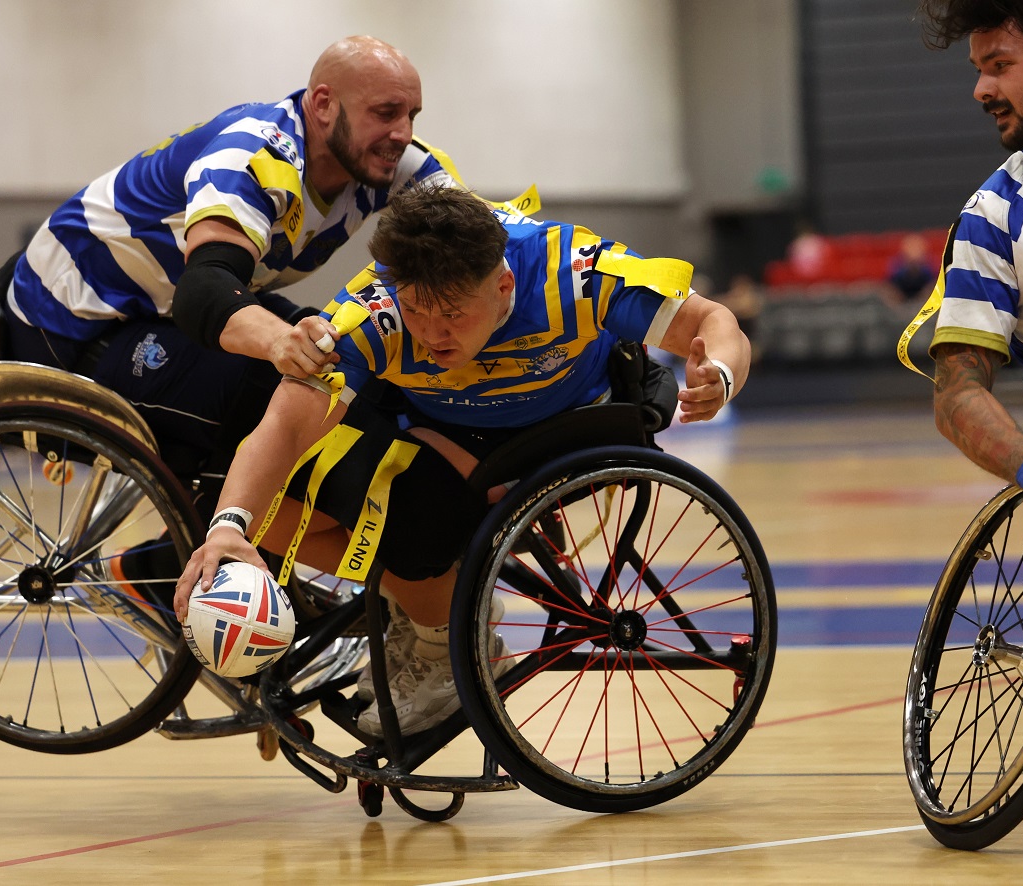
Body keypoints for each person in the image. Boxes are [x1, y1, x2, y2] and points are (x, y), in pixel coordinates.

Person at [173, 185, 751, 737]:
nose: (431, 333)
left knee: (410, 531)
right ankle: (425, 604)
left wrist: (719, 373)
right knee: (265, 509)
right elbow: (284, 426)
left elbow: (711, 321)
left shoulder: (572, 272)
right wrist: (228, 530)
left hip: (563, 430)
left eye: (452, 314)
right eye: (417, 311)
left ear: (503, 286)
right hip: (440, 428)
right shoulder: (372, 312)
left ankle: (442, 635)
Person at [0, 35, 457, 494]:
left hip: (159, 302)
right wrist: (281, 342)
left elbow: (482, 237)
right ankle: (156, 568)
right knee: (271, 388)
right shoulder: (254, 154)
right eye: (387, 112)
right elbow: (206, 292)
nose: (402, 133)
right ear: (323, 105)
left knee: (348, 359)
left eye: (413, 114)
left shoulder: (389, 160)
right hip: (68, 321)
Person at [917, 0, 1023, 562]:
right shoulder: (992, 216)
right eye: (978, 69)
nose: (980, 89)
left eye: (999, 65)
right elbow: (957, 394)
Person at [886, 233, 938, 303]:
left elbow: (934, 285)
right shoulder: (896, 268)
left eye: (917, 248)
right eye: (911, 248)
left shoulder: (931, 268)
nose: (914, 252)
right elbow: (890, 286)